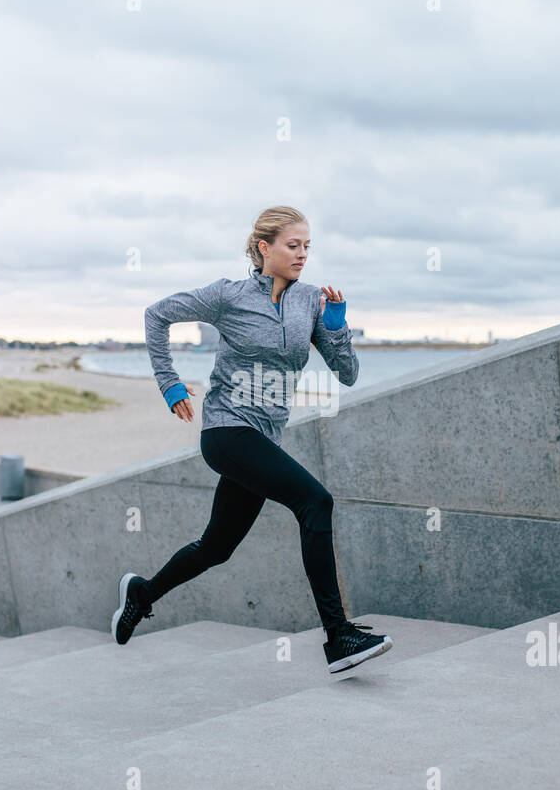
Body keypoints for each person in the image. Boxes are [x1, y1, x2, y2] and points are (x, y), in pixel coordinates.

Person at [112, 205, 392, 674]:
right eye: (293, 245)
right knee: (315, 502)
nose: (303, 254)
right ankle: (337, 635)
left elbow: (347, 374)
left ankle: (143, 592)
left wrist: (339, 328)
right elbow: (156, 314)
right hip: (226, 430)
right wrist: (170, 383)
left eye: (307, 246)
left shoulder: (310, 303)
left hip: (264, 438)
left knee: (216, 548)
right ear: (264, 248)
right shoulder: (229, 295)